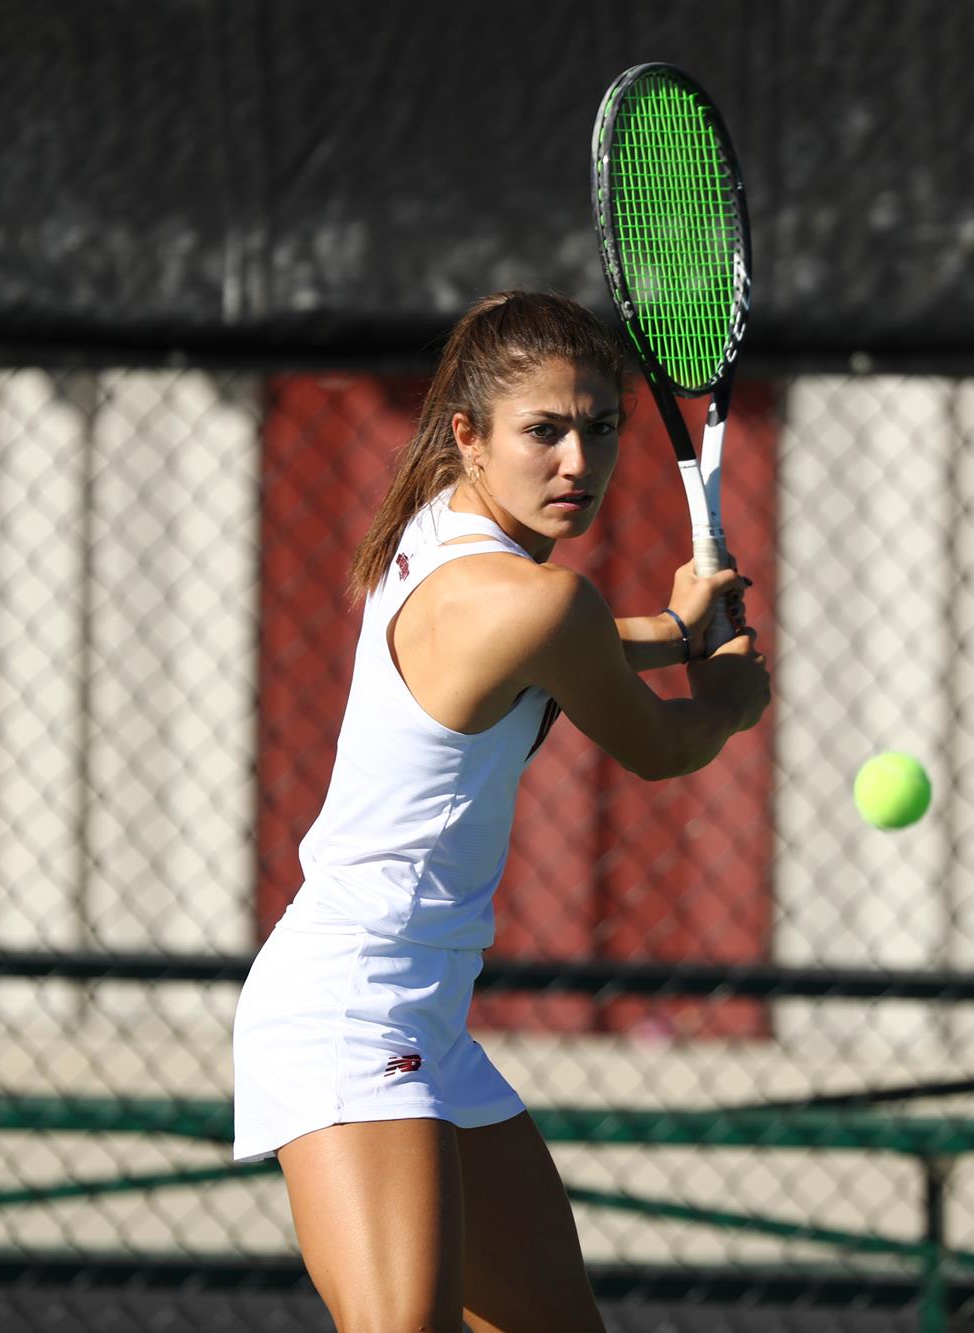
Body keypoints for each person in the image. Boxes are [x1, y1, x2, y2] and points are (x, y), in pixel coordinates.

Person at [233, 290, 770, 1331]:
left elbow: (556, 640)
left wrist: (672, 625)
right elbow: (659, 748)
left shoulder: (443, 523)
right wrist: (726, 698)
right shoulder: (534, 599)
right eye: (544, 431)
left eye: (599, 426)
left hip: (421, 1019)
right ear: (466, 436)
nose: (577, 461)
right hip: (351, 1013)